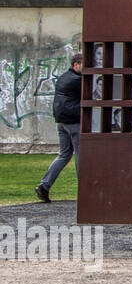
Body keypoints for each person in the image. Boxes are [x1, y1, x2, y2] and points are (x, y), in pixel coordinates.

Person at [37, 53, 83, 202]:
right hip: (74, 121)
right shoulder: (78, 80)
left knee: (64, 155)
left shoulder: (64, 77)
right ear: (76, 65)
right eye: (84, 65)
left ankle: (45, 185)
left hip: (62, 122)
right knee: (80, 155)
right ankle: (84, 190)